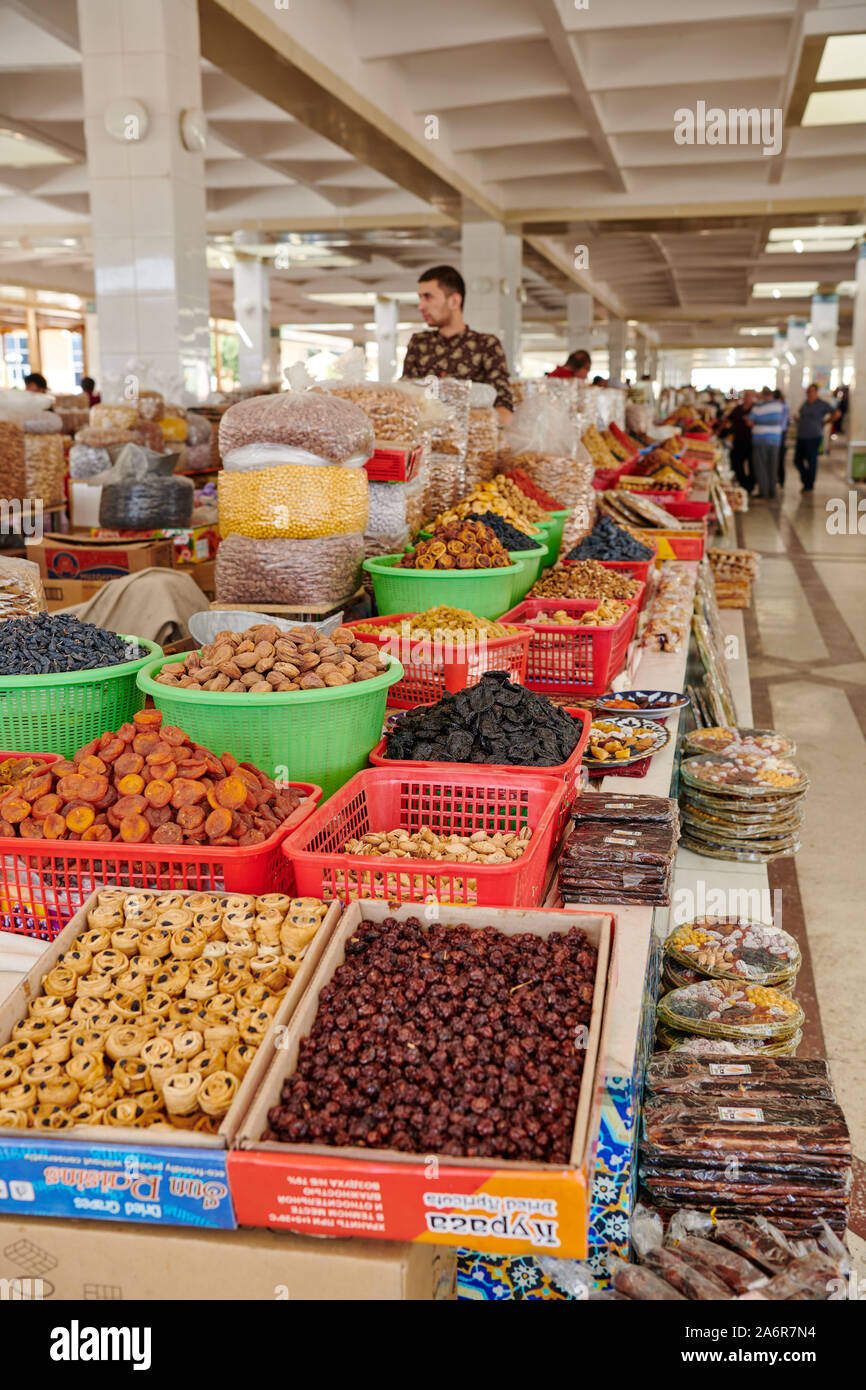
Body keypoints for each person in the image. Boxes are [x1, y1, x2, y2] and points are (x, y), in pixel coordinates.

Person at [402, 264, 513, 421]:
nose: (421, 306)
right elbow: (406, 397)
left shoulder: (486, 345)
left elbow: (504, 410)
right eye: (420, 298)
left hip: (472, 441)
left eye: (428, 297)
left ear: (454, 301)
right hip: (424, 442)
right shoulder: (419, 343)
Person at [793, 383, 841, 493]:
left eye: (810, 391)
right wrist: (798, 420)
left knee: (811, 460)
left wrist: (826, 422)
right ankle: (806, 479)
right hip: (801, 435)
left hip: (813, 436)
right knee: (797, 460)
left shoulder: (822, 404)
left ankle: (809, 484)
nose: (808, 393)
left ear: (816, 392)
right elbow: (802, 416)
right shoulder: (805, 404)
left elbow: (837, 413)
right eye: (807, 391)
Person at [748, 387, 786, 500]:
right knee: (773, 465)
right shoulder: (780, 405)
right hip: (776, 439)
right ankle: (772, 491)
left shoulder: (758, 407)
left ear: (763, 395)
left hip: (760, 439)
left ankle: (763, 491)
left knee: (761, 466)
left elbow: (750, 422)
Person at [721, 389, 754, 492]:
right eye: (745, 396)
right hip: (739, 440)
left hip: (752, 441)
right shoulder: (738, 409)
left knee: (752, 465)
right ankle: (743, 483)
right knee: (736, 462)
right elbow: (727, 419)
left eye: (748, 396)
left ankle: (750, 485)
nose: (746, 398)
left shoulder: (756, 409)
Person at [773, 388, 789, 489]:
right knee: (778, 457)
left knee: (779, 457)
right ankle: (778, 479)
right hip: (780, 432)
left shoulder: (782, 406)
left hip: (780, 433)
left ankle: (780, 479)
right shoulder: (784, 405)